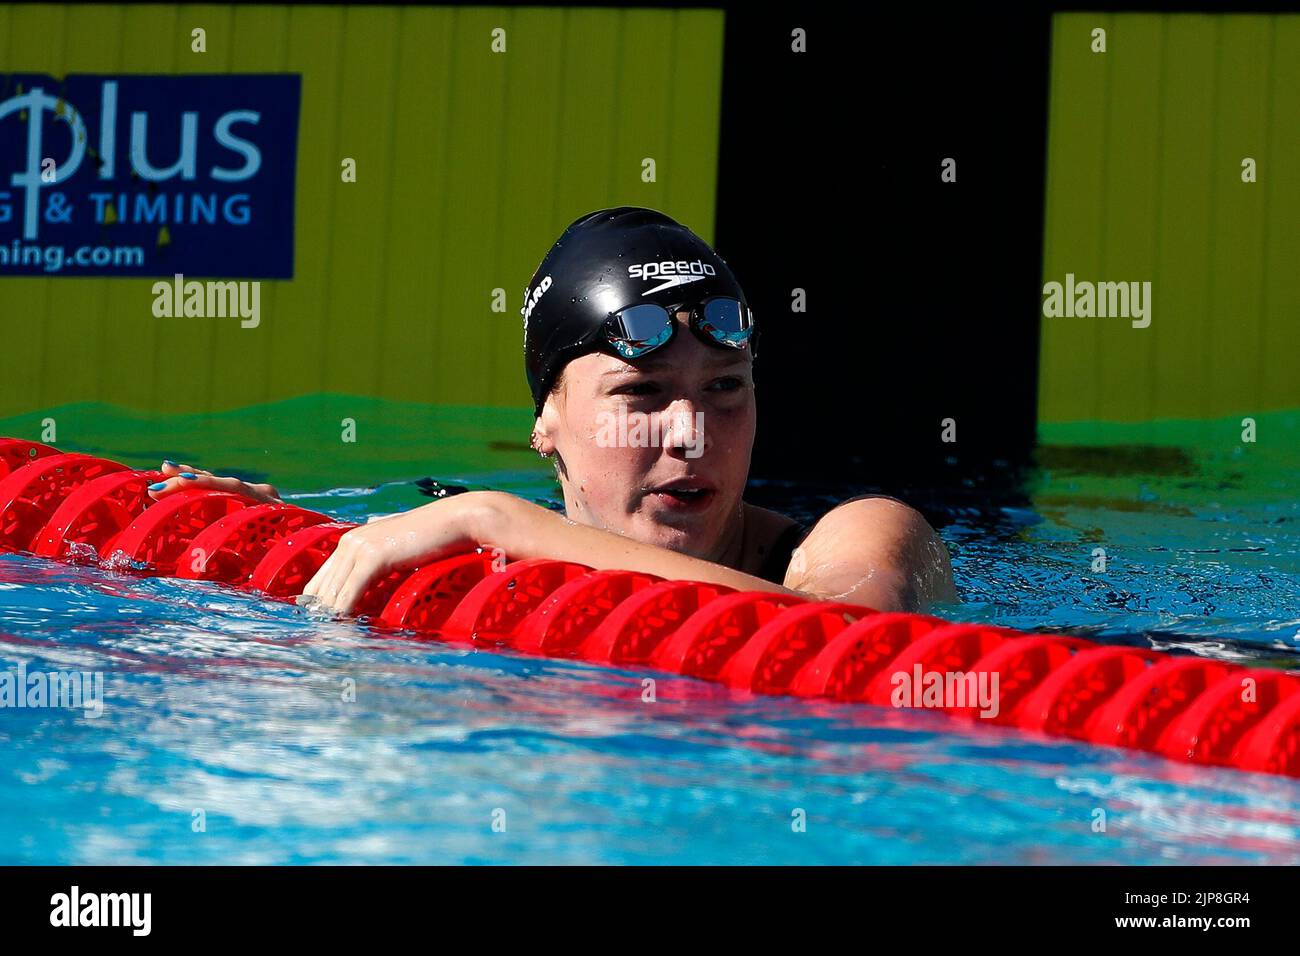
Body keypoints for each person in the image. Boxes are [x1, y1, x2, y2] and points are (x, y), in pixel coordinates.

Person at [148, 207, 957, 614]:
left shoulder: (861, 535)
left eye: (726, 387)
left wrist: (507, 523)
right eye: (640, 392)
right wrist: (279, 546)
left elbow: (850, 637)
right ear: (546, 423)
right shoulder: (467, 539)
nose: (690, 433)